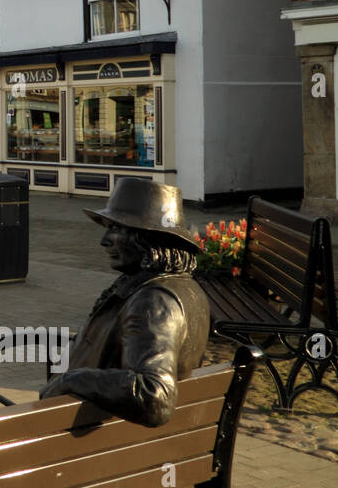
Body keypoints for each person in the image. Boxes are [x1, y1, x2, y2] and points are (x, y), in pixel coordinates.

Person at [38, 177, 210, 428]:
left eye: (117, 229)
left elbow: (155, 397)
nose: (104, 240)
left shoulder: (154, 301)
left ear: (148, 238)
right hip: (134, 443)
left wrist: (72, 379)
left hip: (95, 444)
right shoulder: (184, 287)